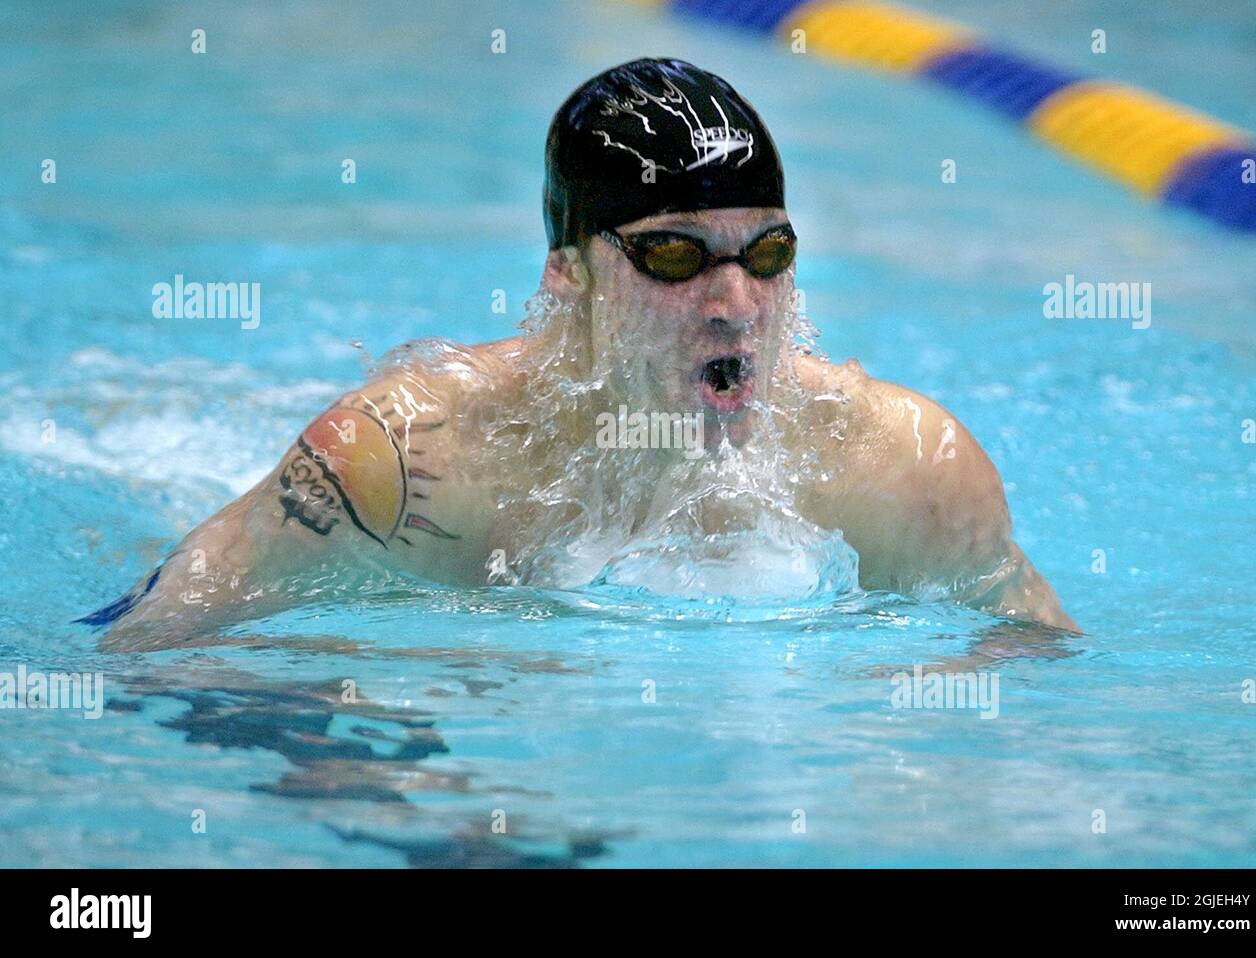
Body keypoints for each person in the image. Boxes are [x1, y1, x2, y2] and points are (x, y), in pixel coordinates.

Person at [83, 57, 1077, 647]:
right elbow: (156, 643)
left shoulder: (908, 469)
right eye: (675, 254)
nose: (735, 302)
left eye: (766, 252)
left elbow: (1037, 676)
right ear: (569, 272)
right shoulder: (403, 465)